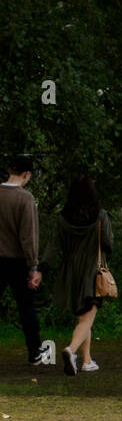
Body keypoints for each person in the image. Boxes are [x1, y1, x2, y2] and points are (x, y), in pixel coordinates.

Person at [51, 175, 113, 374]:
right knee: (88, 318)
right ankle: (71, 350)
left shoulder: (63, 217)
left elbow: (54, 245)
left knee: (84, 317)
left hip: (70, 272)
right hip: (92, 271)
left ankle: (87, 361)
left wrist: (42, 267)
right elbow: (108, 242)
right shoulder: (100, 216)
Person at [0, 154, 43, 364]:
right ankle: (35, 352)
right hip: (17, 261)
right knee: (26, 308)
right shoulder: (25, 198)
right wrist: (33, 265)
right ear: (26, 174)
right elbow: (28, 235)